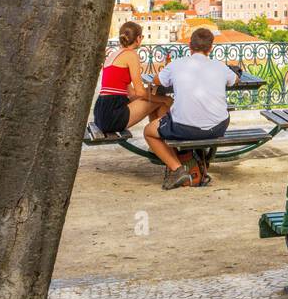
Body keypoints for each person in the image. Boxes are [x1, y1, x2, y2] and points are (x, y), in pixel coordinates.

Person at [143, 27, 236, 189]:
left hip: (184, 129)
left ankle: (177, 169)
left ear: (189, 46)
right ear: (211, 48)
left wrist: (169, 72)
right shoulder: (220, 66)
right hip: (217, 128)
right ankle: (192, 159)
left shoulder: (177, 65)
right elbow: (234, 80)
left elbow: (157, 80)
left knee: (149, 131)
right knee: (220, 112)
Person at [92, 21, 169, 137]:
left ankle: (157, 144)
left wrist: (150, 93)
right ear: (138, 38)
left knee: (156, 100)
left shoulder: (114, 55)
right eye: (141, 37)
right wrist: (164, 99)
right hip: (113, 113)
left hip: (102, 112)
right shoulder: (131, 55)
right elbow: (140, 92)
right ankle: (169, 147)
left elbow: (132, 94)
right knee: (164, 102)